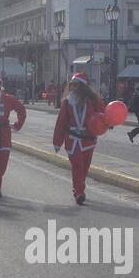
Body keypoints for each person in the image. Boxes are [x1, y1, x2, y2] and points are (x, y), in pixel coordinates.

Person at [52, 70, 107, 205]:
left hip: (88, 140)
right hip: (72, 140)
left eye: (77, 85)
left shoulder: (94, 101)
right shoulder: (67, 103)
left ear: (83, 87)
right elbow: (61, 123)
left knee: (85, 167)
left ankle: (80, 188)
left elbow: (104, 114)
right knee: (77, 166)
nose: (74, 87)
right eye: (72, 85)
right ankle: (79, 192)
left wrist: (108, 122)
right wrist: (57, 142)